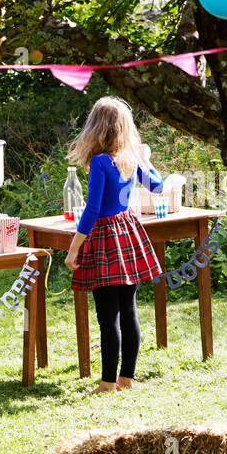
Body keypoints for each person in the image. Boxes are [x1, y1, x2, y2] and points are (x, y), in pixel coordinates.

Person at [64, 97, 164, 392]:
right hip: (128, 233)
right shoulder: (129, 160)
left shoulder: (99, 162)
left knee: (108, 316)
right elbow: (157, 185)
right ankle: (126, 379)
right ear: (123, 128)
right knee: (128, 310)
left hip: (105, 239)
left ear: (95, 128)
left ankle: (108, 382)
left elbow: (92, 209)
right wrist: (144, 159)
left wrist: (74, 248)